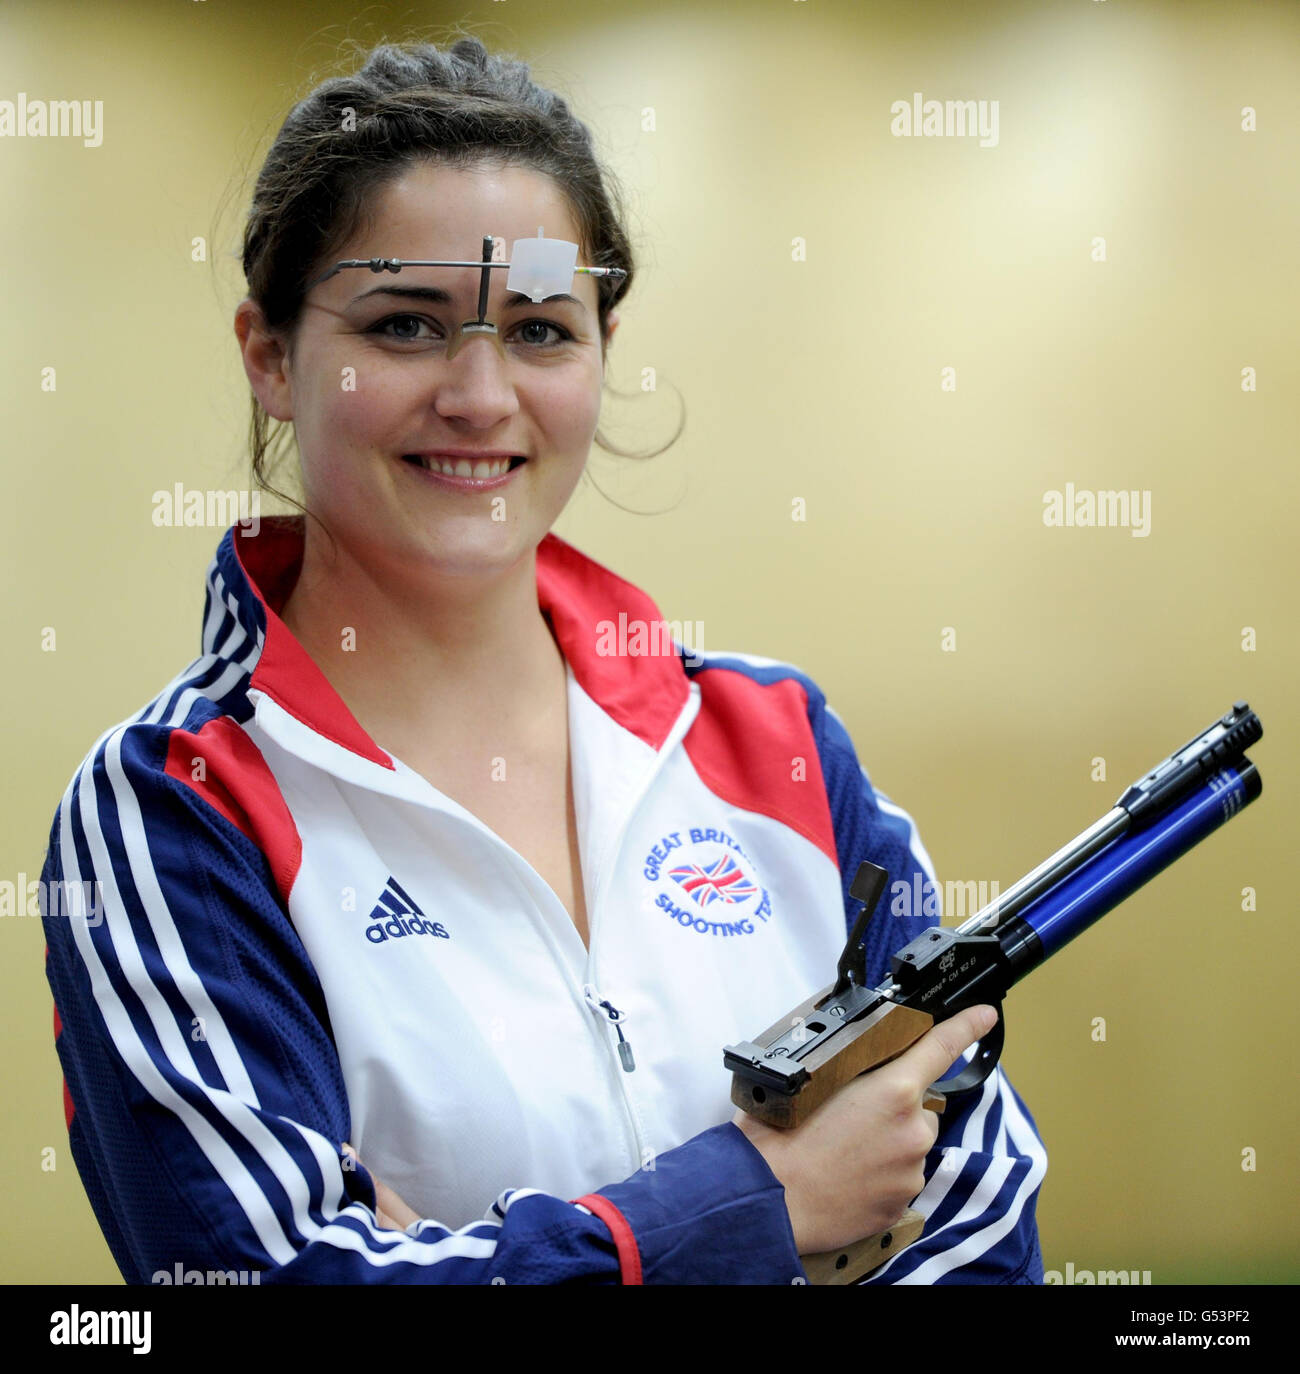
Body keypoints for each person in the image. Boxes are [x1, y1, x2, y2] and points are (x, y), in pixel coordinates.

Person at [40, 35, 1046, 1285]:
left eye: (539, 330)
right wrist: (756, 1204)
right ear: (269, 355)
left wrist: (476, 1256)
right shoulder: (175, 806)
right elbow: (278, 1277)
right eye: (405, 325)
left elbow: (973, 1217)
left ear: (601, 349)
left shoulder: (776, 743)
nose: (478, 393)